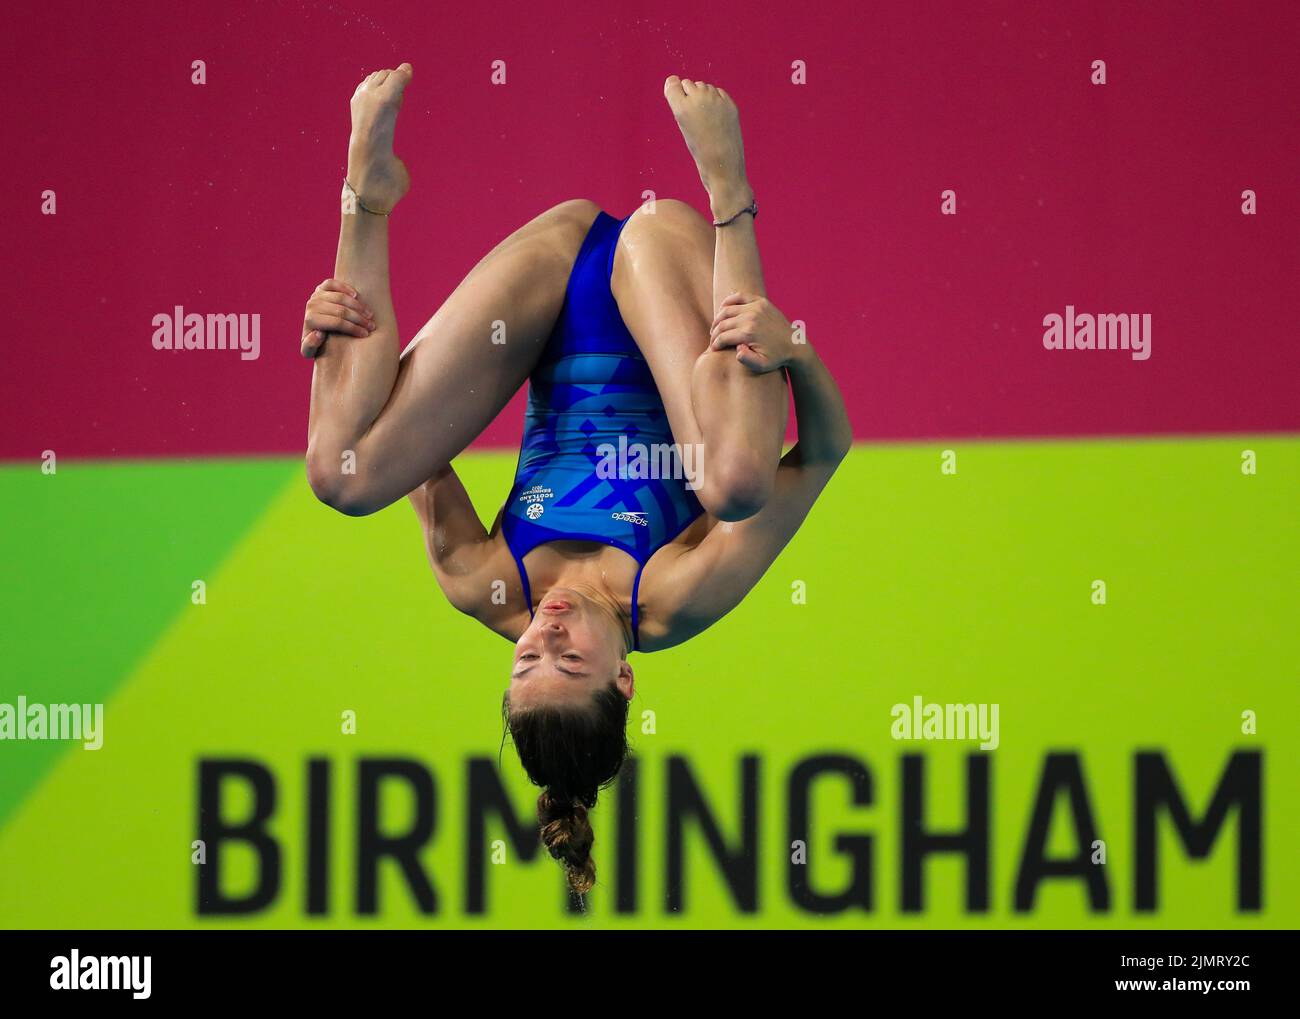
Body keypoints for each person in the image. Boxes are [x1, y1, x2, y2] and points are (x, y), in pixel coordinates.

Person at [300, 63, 851, 895]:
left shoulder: (482, 582)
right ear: (622, 678)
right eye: (569, 658)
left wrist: (332, 348)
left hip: (552, 279)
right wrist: (794, 350)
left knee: (341, 474)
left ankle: (365, 197)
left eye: (526, 660)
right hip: (661, 264)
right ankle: (731, 192)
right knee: (735, 483)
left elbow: (409, 443)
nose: (546, 632)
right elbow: (822, 452)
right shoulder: (672, 597)